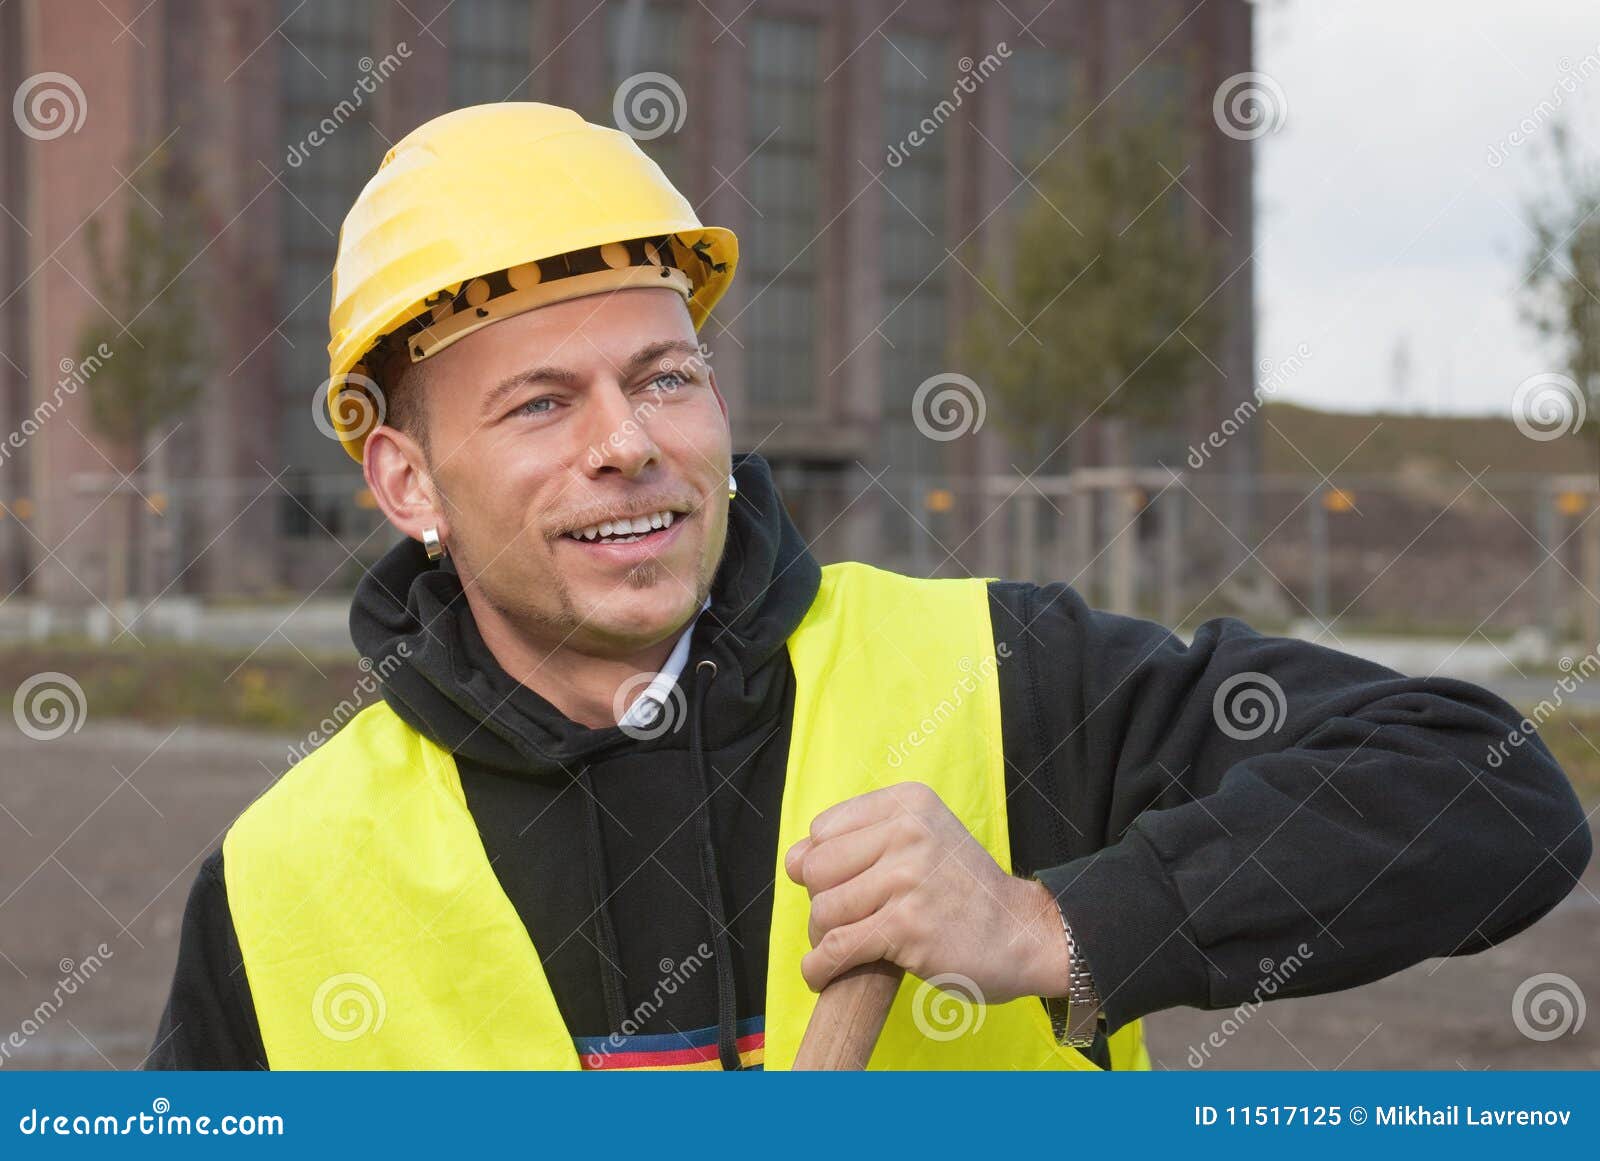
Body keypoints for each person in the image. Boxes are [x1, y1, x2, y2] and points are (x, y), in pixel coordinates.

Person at [148, 104, 1590, 1071]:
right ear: (407, 482)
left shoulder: (997, 681)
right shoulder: (285, 886)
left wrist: (1059, 927)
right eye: (540, 403)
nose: (628, 443)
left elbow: (1490, 789)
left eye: (666, 377)